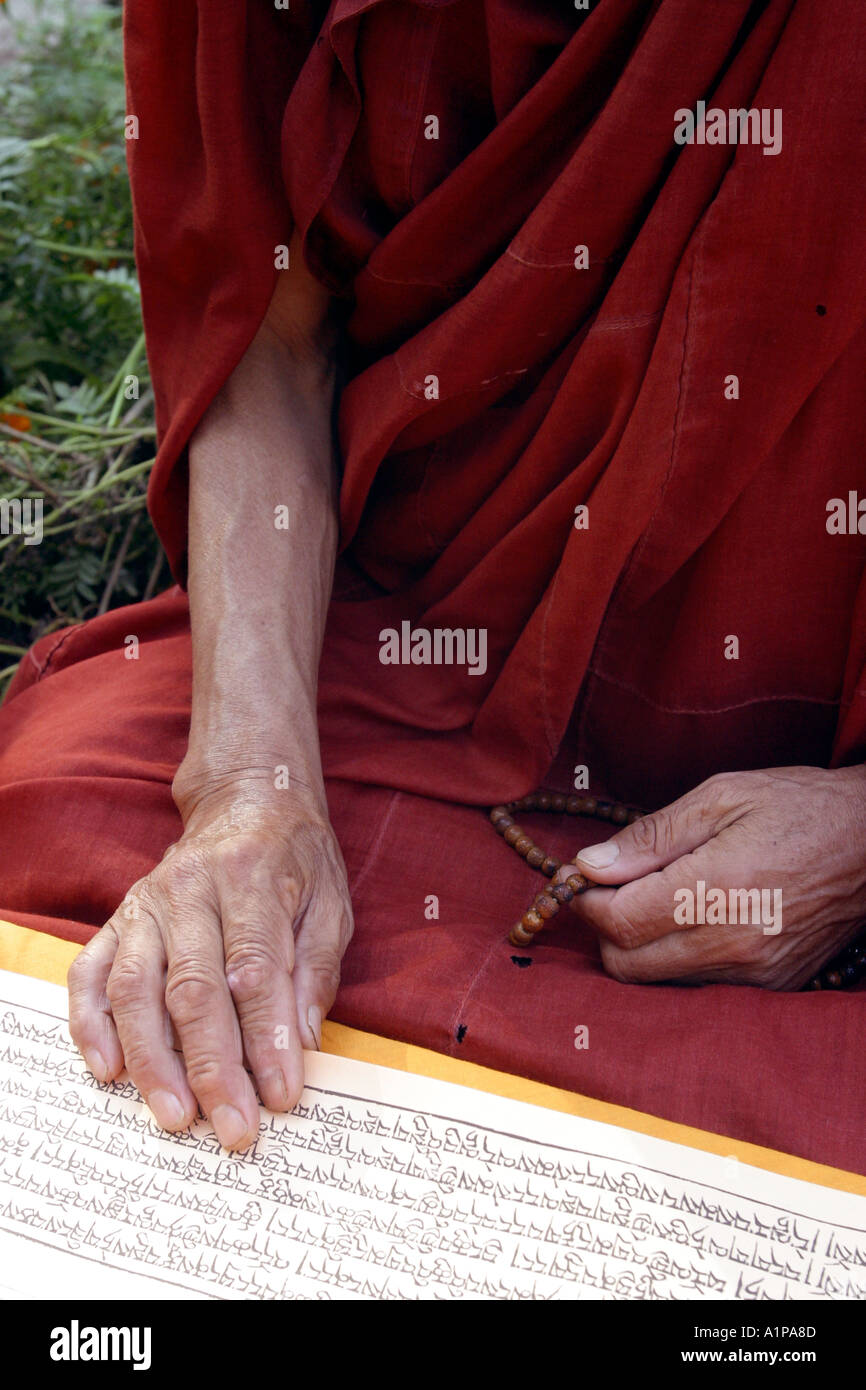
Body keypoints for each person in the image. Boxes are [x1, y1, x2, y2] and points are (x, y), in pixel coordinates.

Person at [2, 0, 866, 1170]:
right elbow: (269, 329)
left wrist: (856, 837)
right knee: (59, 850)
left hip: (811, 756)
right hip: (398, 656)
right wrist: (248, 789)